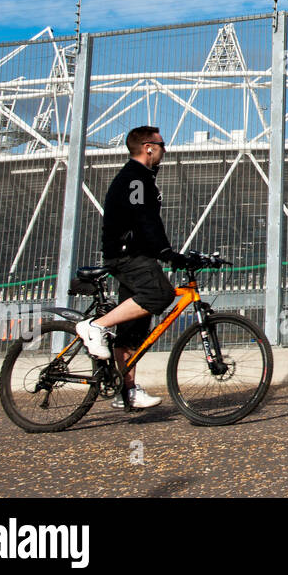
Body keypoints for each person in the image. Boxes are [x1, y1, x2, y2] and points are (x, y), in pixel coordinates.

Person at [75, 125, 190, 409]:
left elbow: (146, 219)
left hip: (133, 254)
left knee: (133, 330)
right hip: (128, 256)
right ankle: (95, 326)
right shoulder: (136, 178)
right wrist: (166, 252)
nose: (165, 150)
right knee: (159, 295)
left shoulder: (141, 178)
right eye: (163, 145)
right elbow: (142, 217)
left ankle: (125, 391)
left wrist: (165, 251)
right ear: (148, 147)